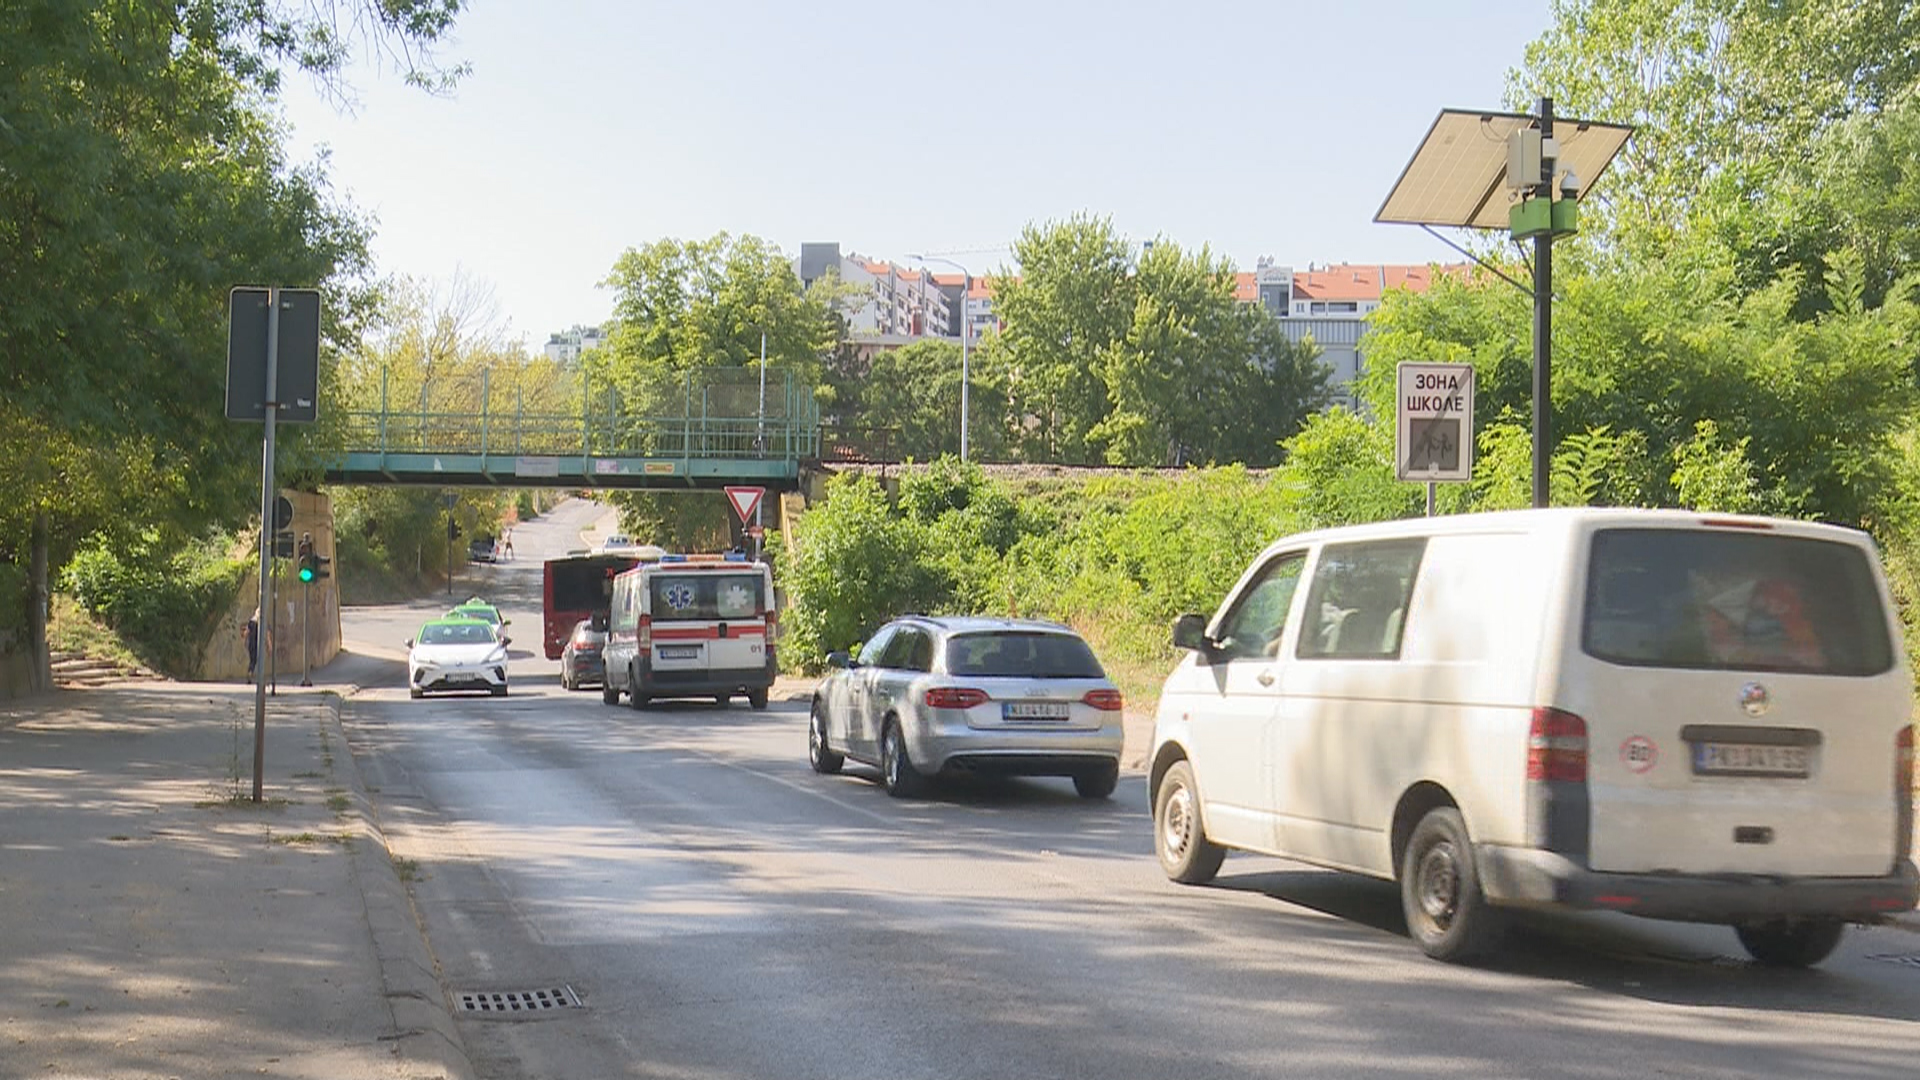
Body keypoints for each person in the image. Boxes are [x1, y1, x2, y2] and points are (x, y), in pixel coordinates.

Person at [243, 607, 261, 679]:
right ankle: (251, 672)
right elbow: (267, 633)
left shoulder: (251, 622)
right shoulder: (260, 623)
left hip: (251, 643)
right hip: (257, 643)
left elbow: (246, 632)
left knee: (252, 659)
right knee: (254, 660)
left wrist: (244, 641)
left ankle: (250, 672)